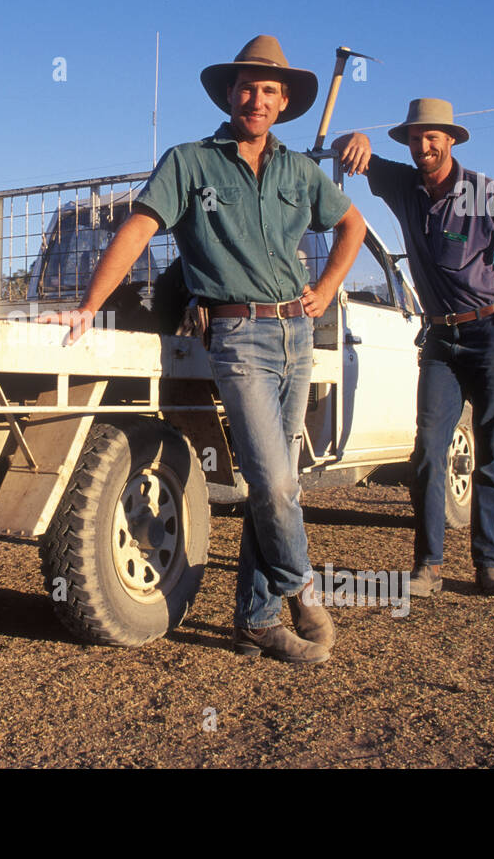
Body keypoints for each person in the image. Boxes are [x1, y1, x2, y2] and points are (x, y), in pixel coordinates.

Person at [48, 35, 367, 663]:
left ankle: (255, 620)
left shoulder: (299, 171)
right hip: (237, 334)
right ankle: (301, 586)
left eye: (269, 90)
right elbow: (138, 227)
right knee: (273, 482)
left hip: (296, 334)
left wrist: (327, 288)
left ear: (283, 103)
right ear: (229, 94)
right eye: (246, 87)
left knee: (277, 486)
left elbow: (352, 224)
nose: (256, 98)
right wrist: (90, 303)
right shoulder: (190, 162)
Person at [333, 98, 494, 597]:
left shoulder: (485, 192)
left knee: (492, 449)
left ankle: (489, 564)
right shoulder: (402, 185)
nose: (423, 146)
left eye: (432, 137)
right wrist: (354, 138)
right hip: (439, 340)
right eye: (414, 138)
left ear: (449, 140)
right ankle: (428, 565)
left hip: (488, 334)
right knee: (427, 449)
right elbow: (345, 149)